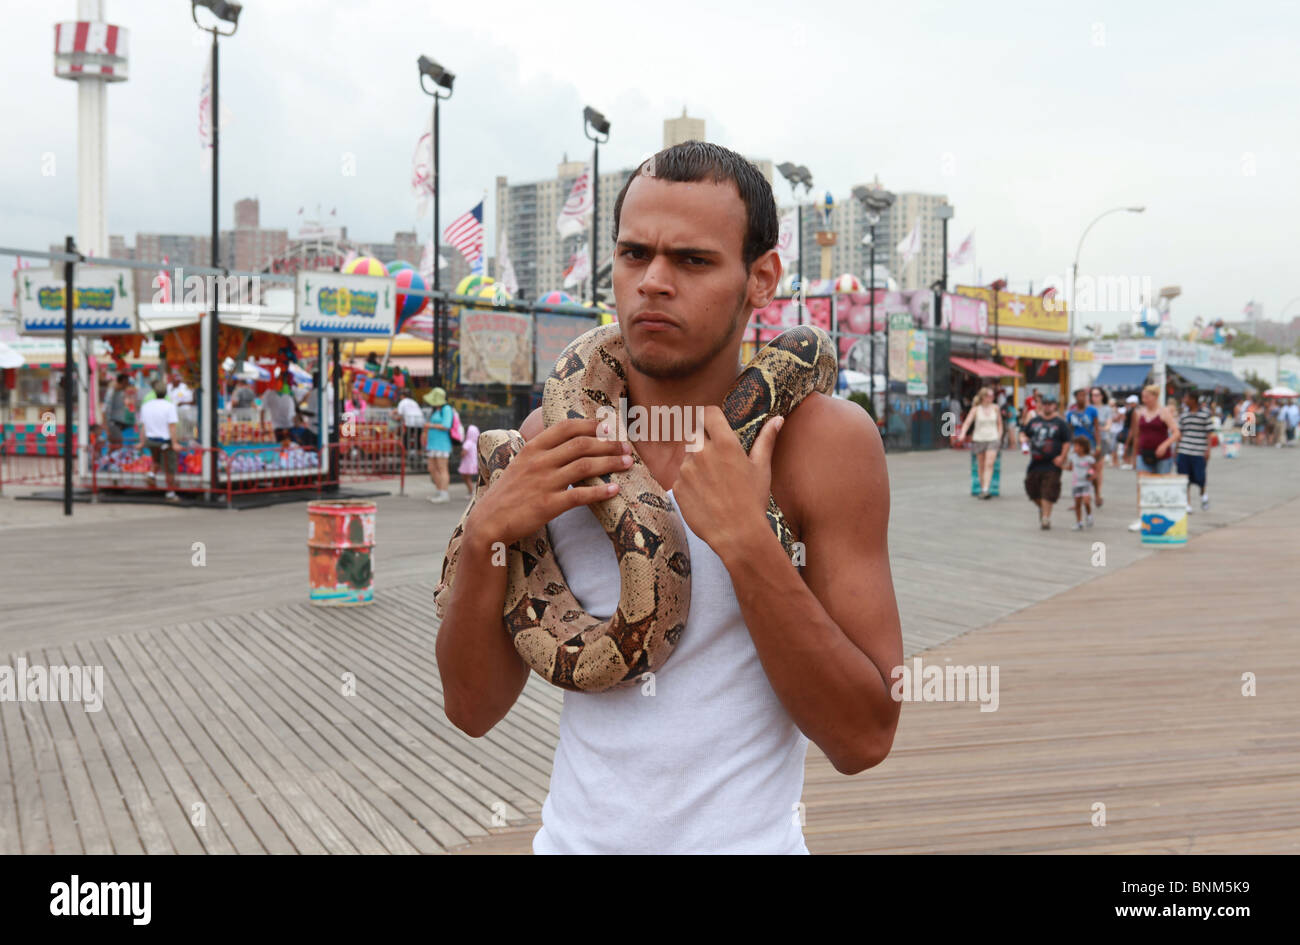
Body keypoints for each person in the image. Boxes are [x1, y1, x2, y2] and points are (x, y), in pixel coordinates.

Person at [436, 140, 902, 855]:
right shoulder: (548, 442)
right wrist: (482, 538)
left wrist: (748, 542)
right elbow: (471, 710)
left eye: (692, 260)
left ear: (762, 277)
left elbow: (865, 735)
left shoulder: (822, 444)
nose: (653, 281)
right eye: (633, 254)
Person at [1125, 383, 1180, 531]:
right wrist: (1134, 455)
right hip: (1144, 453)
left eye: (1147, 397)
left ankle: (1162, 517)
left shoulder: (1164, 412)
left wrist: (1165, 445)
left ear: (1155, 397)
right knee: (1143, 486)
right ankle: (1142, 517)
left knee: (1162, 486)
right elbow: (1137, 435)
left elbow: (1176, 432)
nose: (1144, 400)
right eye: (1143, 397)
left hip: (1163, 456)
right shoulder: (1139, 413)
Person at [1022, 394, 1072, 529]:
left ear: (1054, 406)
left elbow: (1067, 442)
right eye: (1045, 404)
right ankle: (1043, 508)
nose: (1047, 406)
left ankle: (1045, 518)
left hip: (1052, 463)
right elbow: (1024, 433)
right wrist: (1023, 441)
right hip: (1035, 462)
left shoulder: (1060, 423)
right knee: (1032, 490)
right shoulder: (1034, 421)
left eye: (1050, 404)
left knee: (1048, 491)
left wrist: (1062, 457)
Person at [139, 379, 181, 501]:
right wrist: (175, 443)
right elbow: (171, 426)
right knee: (169, 468)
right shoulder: (169, 406)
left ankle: (151, 474)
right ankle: (170, 492)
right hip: (165, 442)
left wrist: (142, 442)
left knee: (156, 460)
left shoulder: (146, 406)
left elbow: (144, 427)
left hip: (151, 440)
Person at [958, 386, 1002, 499]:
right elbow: (967, 422)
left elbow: (999, 424)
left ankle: (986, 488)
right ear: (983, 397)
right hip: (978, 439)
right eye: (989, 396)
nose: (992, 398)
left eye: (993, 396)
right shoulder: (976, 409)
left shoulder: (996, 408)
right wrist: (963, 433)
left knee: (989, 463)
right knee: (981, 465)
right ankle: (983, 488)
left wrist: (999, 437)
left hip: (992, 438)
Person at [1176, 390, 1212, 512]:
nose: (1184, 401)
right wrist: (1177, 449)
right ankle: (1187, 503)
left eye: (1186, 398)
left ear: (1193, 400)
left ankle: (1203, 495)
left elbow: (1209, 433)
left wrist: (1208, 449)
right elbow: (1179, 433)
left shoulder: (1205, 414)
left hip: (1199, 451)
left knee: (1200, 477)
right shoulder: (1184, 415)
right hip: (1184, 450)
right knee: (1184, 478)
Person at [424, 387, 455, 503]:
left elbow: (446, 425)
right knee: (431, 468)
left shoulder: (446, 409)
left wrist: (430, 426)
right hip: (432, 444)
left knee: (442, 468)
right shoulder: (436, 410)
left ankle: (444, 493)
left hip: (442, 444)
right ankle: (439, 490)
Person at [1062, 436, 1097, 530]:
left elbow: (1094, 469)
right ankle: (1079, 522)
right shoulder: (1073, 457)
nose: (1075, 448)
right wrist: (1061, 466)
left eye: (1077, 446)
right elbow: (1070, 468)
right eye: (1075, 446)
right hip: (1076, 483)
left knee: (1086, 501)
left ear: (1083, 447)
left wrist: (1092, 475)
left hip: (1086, 483)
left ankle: (1089, 515)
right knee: (1077, 503)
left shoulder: (1089, 459)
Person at [1087, 387, 1113, 507]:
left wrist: (1099, 428)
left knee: (1099, 468)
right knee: (1087, 467)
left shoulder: (1107, 409)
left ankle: (1098, 492)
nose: (1095, 397)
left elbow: (1108, 425)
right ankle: (1087, 491)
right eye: (1093, 395)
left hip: (1101, 440)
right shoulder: (1088, 408)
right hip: (1088, 440)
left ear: (1102, 396)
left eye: (1097, 395)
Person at [105, 373, 134, 447]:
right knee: (118, 445)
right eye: (126, 383)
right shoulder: (111, 393)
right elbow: (104, 411)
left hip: (117, 424)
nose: (127, 385)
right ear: (121, 382)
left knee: (115, 446)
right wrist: (108, 430)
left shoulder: (120, 392)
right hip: (113, 424)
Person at [396, 391, 426, 459]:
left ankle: (405, 455)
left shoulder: (402, 402)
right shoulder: (414, 402)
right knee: (418, 438)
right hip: (420, 421)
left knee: (406, 438)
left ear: (403, 396)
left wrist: (394, 417)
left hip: (410, 422)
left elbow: (399, 414)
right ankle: (419, 454)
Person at [457, 423, 480, 495]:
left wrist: (460, 455)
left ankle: (471, 492)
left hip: (467, 463)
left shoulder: (468, 443)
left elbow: (464, 453)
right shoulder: (475, 443)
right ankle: (471, 491)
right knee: (468, 478)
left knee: (466, 478)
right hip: (473, 463)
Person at [1119, 394, 1139, 468]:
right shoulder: (1130, 410)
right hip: (1128, 429)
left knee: (1130, 445)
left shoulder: (1134, 411)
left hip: (1131, 429)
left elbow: (1133, 424)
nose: (1130, 404)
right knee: (1129, 445)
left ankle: (1131, 462)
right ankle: (1130, 461)